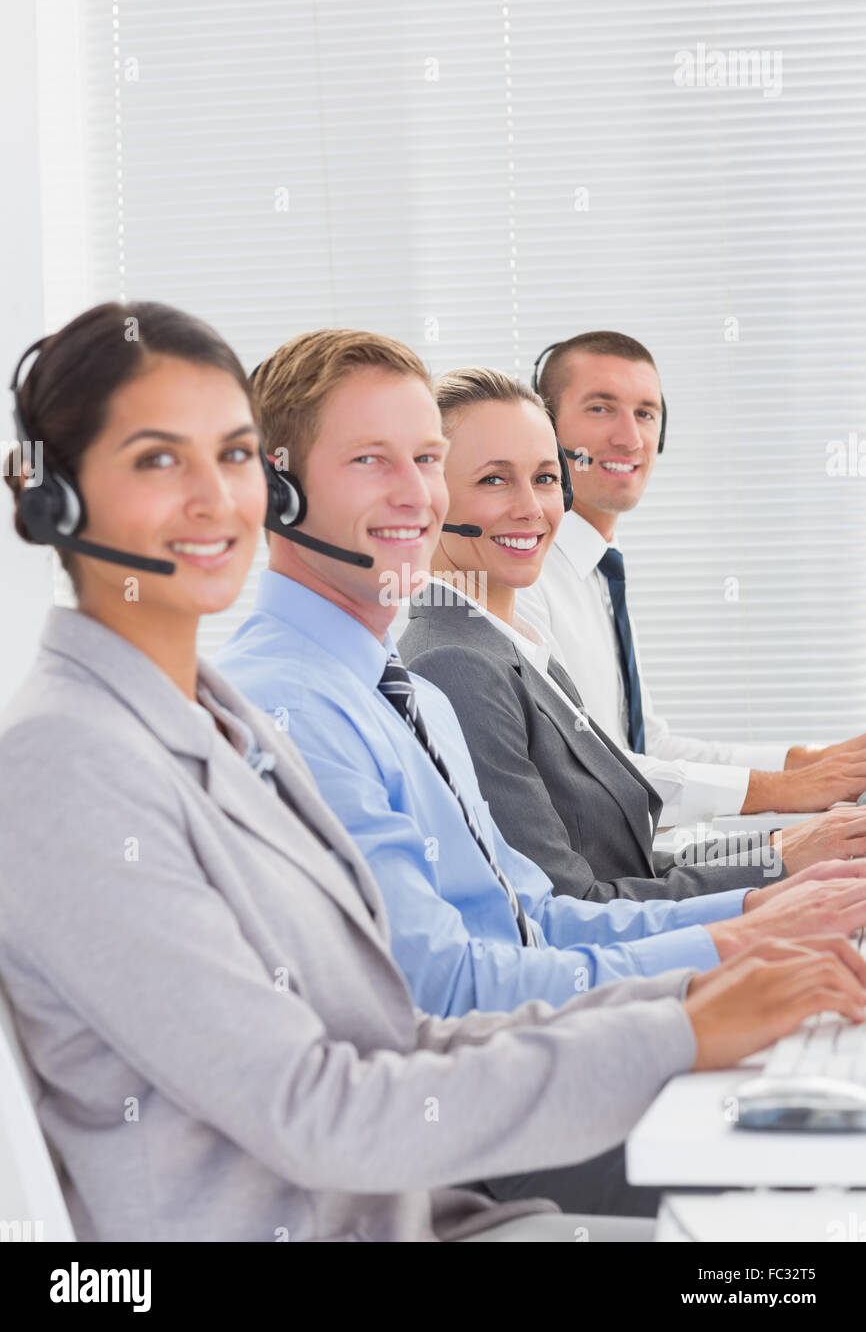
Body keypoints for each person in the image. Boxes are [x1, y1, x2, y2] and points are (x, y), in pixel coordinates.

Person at [2, 300, 820, 1244]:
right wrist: (684, 1020)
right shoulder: (69, 761)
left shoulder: (211, 719)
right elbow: (320, 1105)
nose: (215, 498)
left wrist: (709, 984)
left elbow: (395, 1025)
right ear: (51, 495)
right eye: (157, 458)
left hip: (423, 1208)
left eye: (231, 456)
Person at [214, 325, 866, 1214]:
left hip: (538, 1063)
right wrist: (713, 966)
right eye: (372, 460)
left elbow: (537, 923)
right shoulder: (287, 708)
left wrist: (750, 917)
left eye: (427, 460)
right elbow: (438, 994)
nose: (416, 495)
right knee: (830, 1182)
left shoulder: (406, 694)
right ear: (272, 490)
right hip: (471, 1136)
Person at [397, 367, 866, 898]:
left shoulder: (515, 641)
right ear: (427, 499)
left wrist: (789, 848)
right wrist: (775, 864)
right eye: (493, 479)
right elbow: (569, 909)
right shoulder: (454, 665)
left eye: (546, 478)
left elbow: (624, 855)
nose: (531, 508)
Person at [517, 331, 866, 825]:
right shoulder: (525, 577)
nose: (630, 437)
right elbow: (588, 774)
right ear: (546, 431)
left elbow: (648, 744)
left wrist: (810, 762)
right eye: (601, 408)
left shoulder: (599, 572)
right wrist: (787, 788)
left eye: (646, 413)